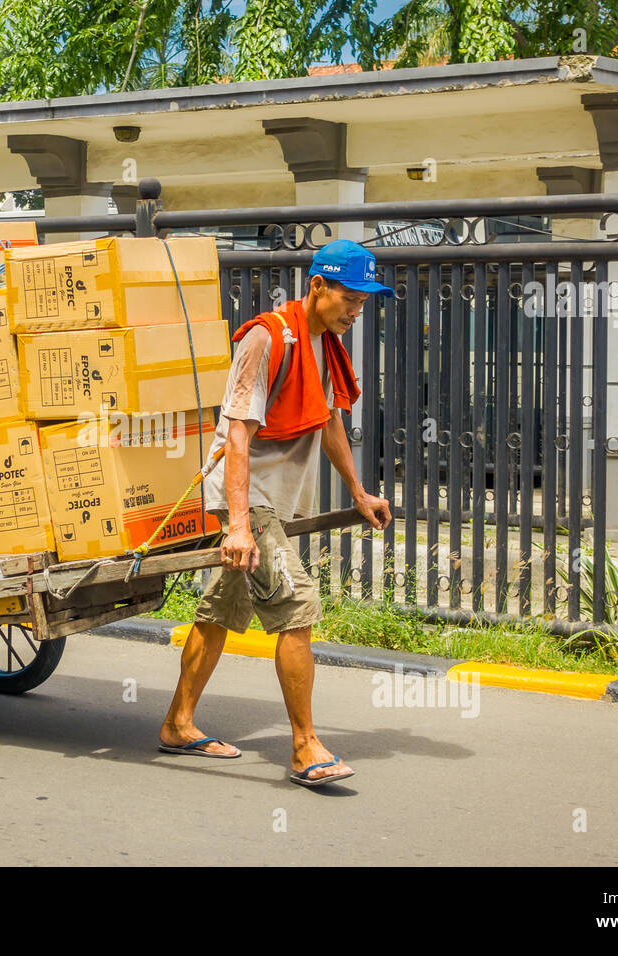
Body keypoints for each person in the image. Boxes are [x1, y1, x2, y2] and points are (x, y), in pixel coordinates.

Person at [157, 239, 394, 787]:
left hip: (271, 499)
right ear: (317, 287)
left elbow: (330, 422)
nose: (357, 310)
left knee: (220, 609)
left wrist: (359, 493)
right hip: (248, 498)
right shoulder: (269, 338)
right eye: (350, 298)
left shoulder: (325, 344)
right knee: (297, 603)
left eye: (364, 301)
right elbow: (237, 429)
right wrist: (238, 525)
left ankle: (177, 723)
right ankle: (305, 746)